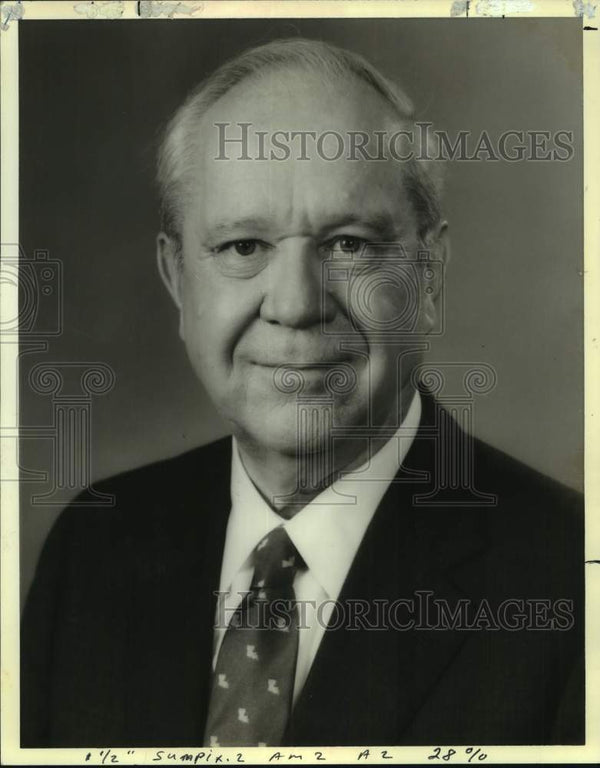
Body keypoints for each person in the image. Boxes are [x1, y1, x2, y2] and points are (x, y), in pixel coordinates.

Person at [21, 38, 584, 748]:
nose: (294, 304)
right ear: (176, 279)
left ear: (430, 274)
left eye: (348, 244)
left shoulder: (569, 578)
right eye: (243, 247)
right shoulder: (95, 546)